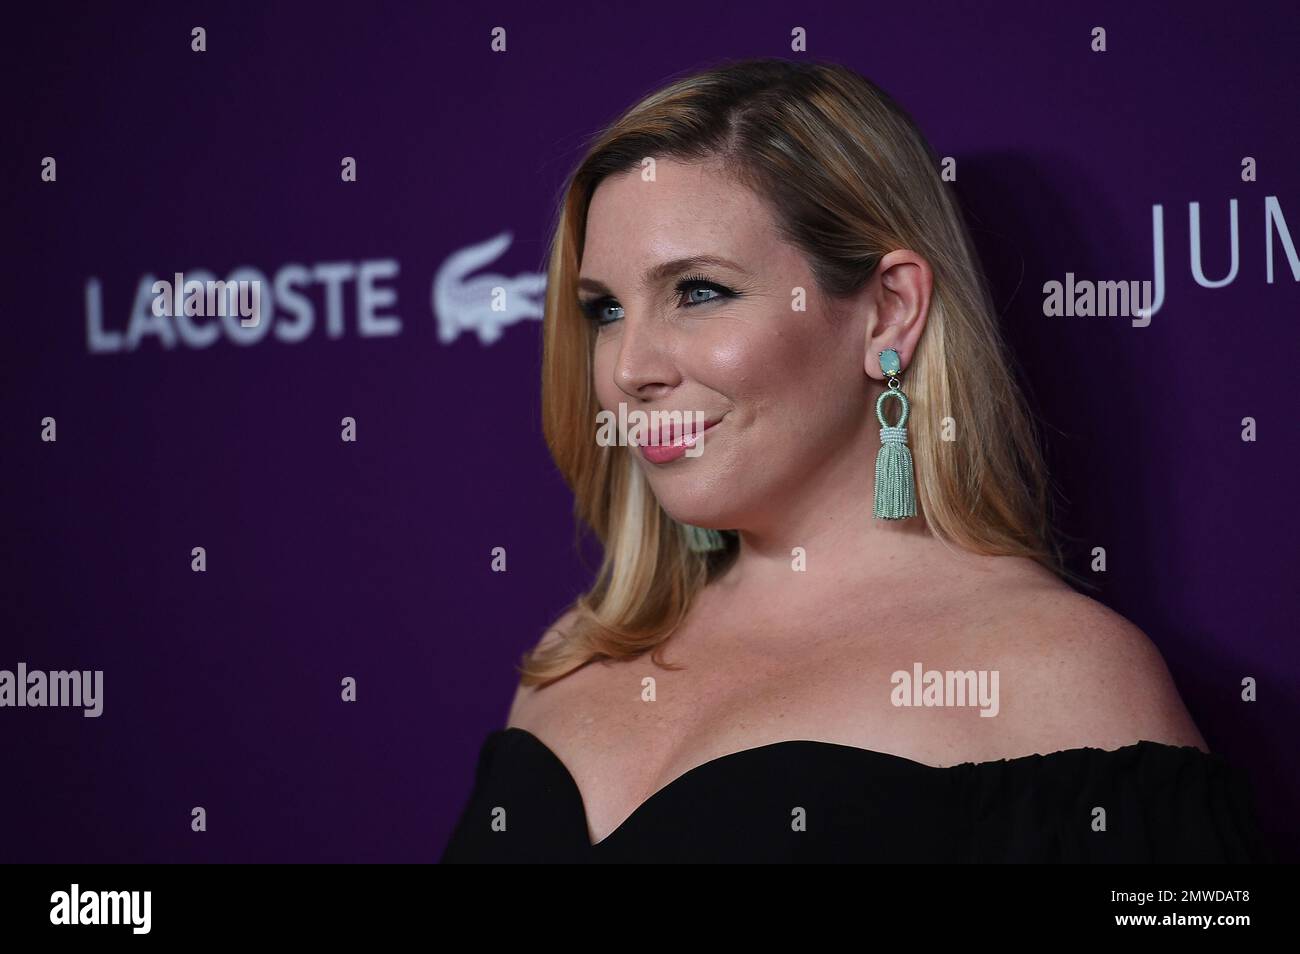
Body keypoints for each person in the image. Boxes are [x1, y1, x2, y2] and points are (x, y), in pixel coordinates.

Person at [441, 56, 1270, 863]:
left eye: (699, 291)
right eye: (606, 309)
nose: (630, 368)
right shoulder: (574, 655)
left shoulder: (1059, 677)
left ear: (888, 311)